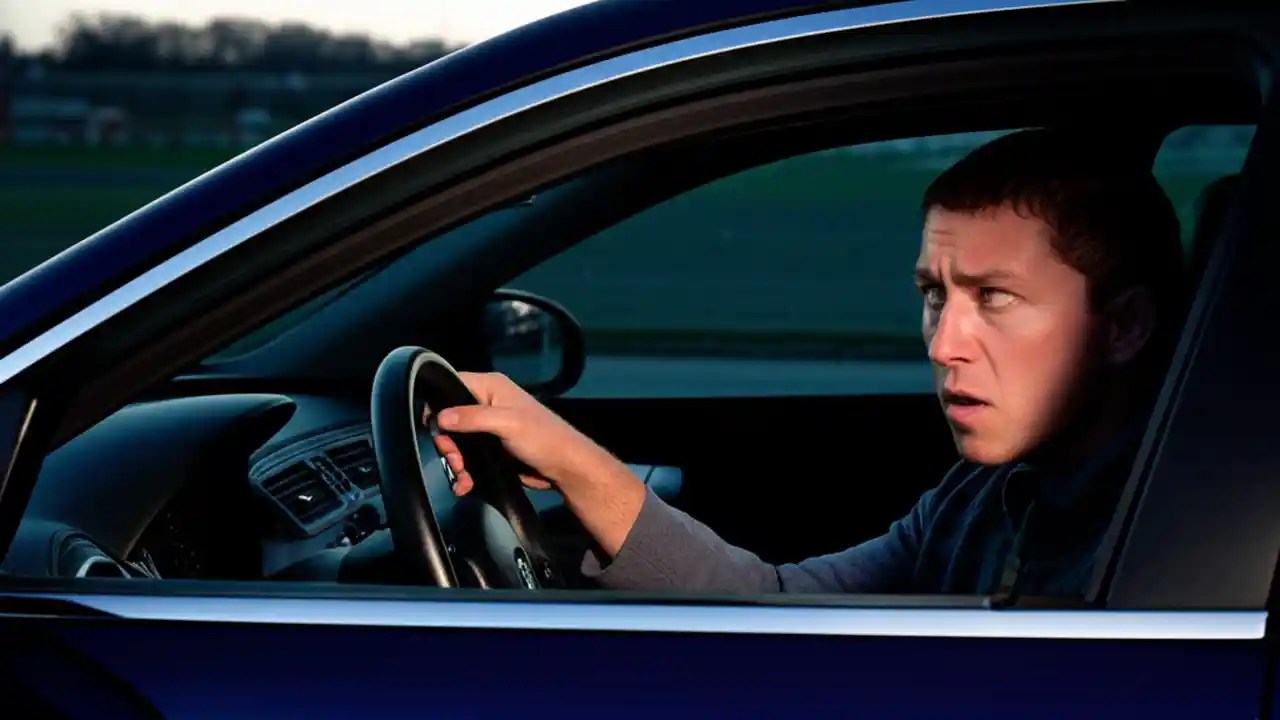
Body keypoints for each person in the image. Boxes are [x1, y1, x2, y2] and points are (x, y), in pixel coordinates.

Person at [428, 127, 1190, 600]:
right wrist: (568, 458)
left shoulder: (1177, 528)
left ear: (1122, 326)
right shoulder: (980, 498)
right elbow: (776, 599)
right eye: (934, 294)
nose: (941, 342)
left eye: (994, 298)